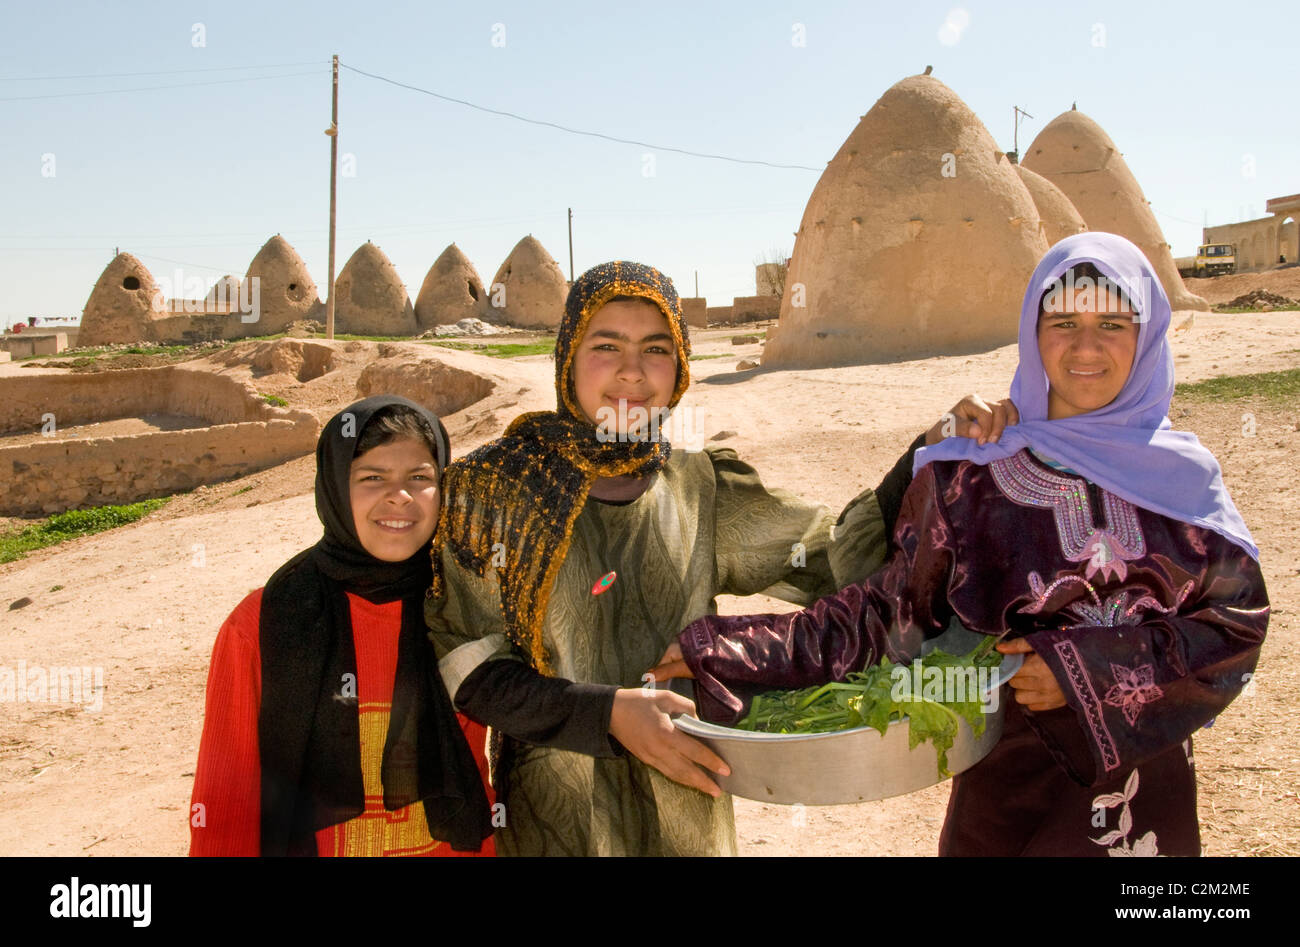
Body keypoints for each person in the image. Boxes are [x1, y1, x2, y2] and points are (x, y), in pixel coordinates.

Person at [655, 233, 1269, 857]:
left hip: (1148, 797)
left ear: (1147, 334)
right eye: (1063, 320)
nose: (1087, 346)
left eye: (1112, 321)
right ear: (1032, 328)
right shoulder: (971, 475)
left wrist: (1083, 672)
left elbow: (1234, 626)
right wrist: (721, 648)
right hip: (1009, 791)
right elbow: (883, 620)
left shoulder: (1185, 477)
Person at [427, 259, 1018, 856]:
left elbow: (836, 553)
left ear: (679, 365)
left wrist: (929, 446)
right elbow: (467, 664)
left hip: (687, 806)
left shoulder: (698, 486)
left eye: (655, 349)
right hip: (555, 820)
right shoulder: (491, 492)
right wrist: (606, 714)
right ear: (568, 357)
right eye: (607, 346)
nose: (632, 372)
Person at [189, 396, 494, 856]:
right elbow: (227, 801)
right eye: (372, 477)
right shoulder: (262, 625)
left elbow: (480, 783)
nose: (401, 495)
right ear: (333, 486)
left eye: (420, 477)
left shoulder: (462, 611)